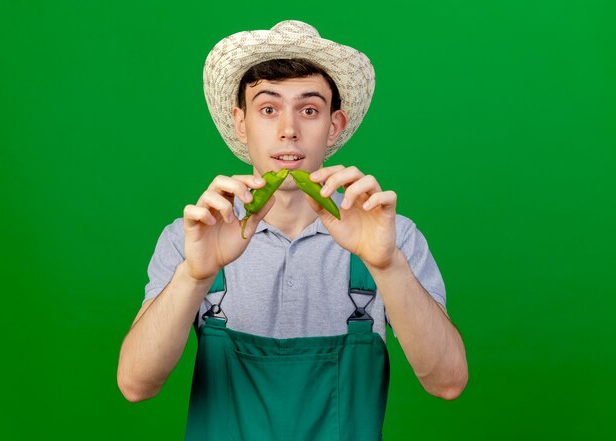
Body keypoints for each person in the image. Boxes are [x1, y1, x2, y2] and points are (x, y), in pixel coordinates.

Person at [118, 20, 468, 440]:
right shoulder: (192, 235)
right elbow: (136, 385)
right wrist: (194, 275)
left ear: (334, 125)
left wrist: (388, 265)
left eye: (309, 109)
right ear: (241, 122)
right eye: (268, 109)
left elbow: (447, 383)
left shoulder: (391, 234)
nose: (289, 129)